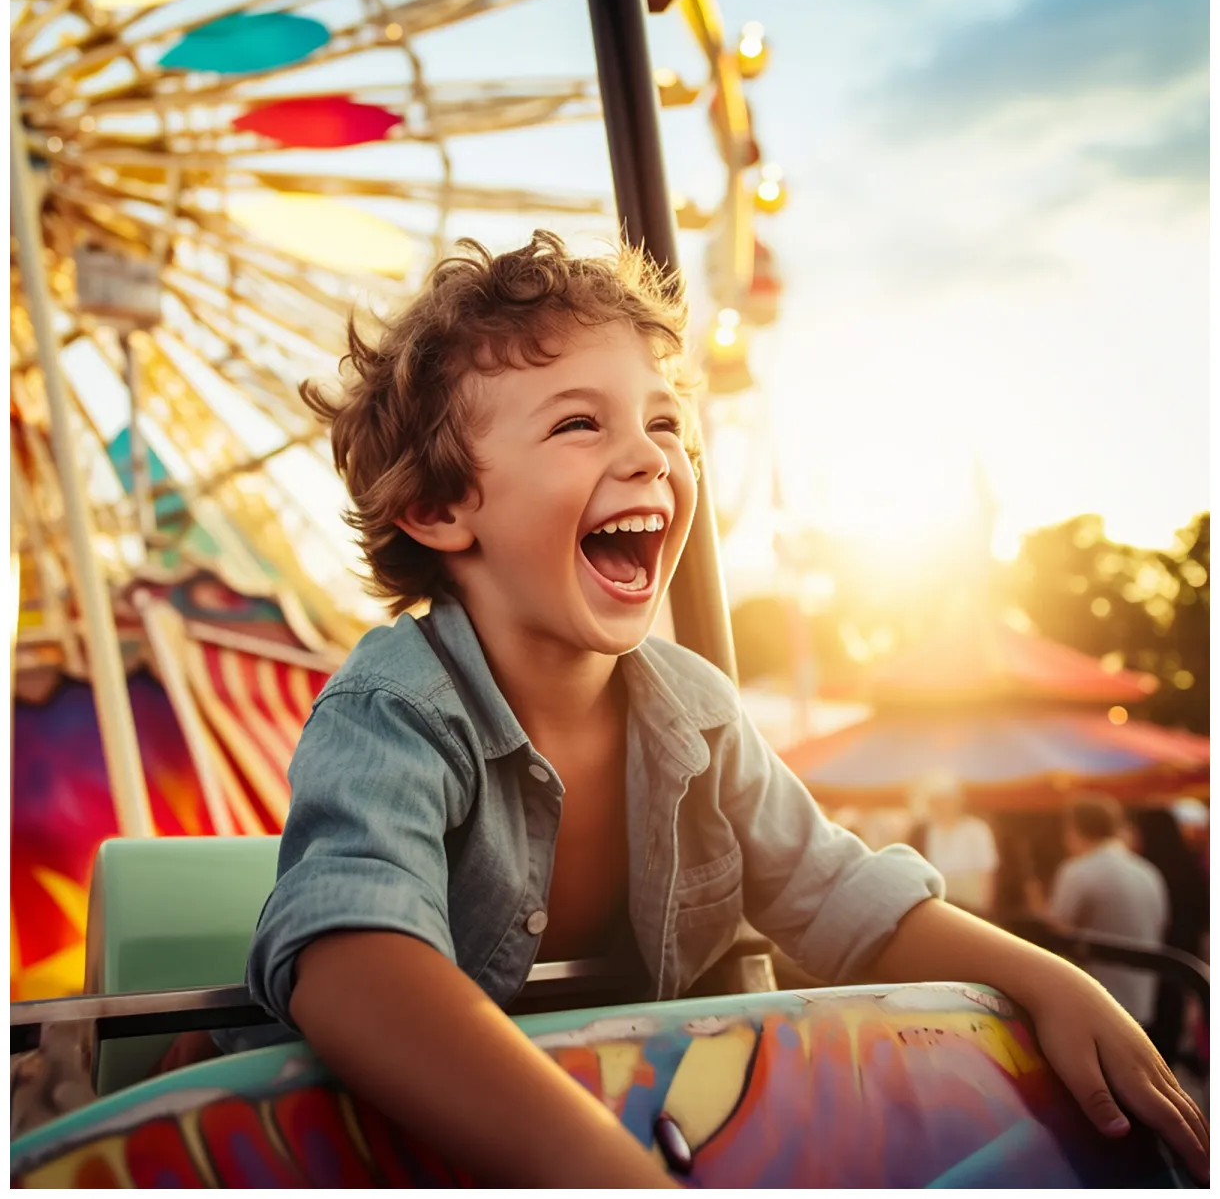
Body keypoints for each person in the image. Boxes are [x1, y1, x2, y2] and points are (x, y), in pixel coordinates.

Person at [243, 233, 1208, 1187]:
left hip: (667, 1125)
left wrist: (1051, 982)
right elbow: (350, 958)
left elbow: (840, 897)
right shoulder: (396, 709)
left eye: (666, 425)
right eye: (580, 425)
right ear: (442, 508)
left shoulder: (696, 711)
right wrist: (598, 1165)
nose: (648, 457)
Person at [1044, 796, 1170, 1027]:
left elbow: (1056, 930)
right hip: (1143, 1002)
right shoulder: (1149, 872)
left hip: (1096, 1004)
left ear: (1074, 828)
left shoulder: (1077, 871)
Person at [1129, 806, 1209, 1065]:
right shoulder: (1187, 863)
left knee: (1159, 1008)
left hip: (1161, 951)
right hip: (1185, 948)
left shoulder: (1146, 868)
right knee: (1173, 1009)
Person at [907, 770, 999, 917]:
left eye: (946, 800)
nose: (942, 806)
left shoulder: (976, 829)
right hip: (938, 902)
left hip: (970, 903)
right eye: (937, 801)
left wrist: (984, 911)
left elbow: (986, 874)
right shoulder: (922, 833)